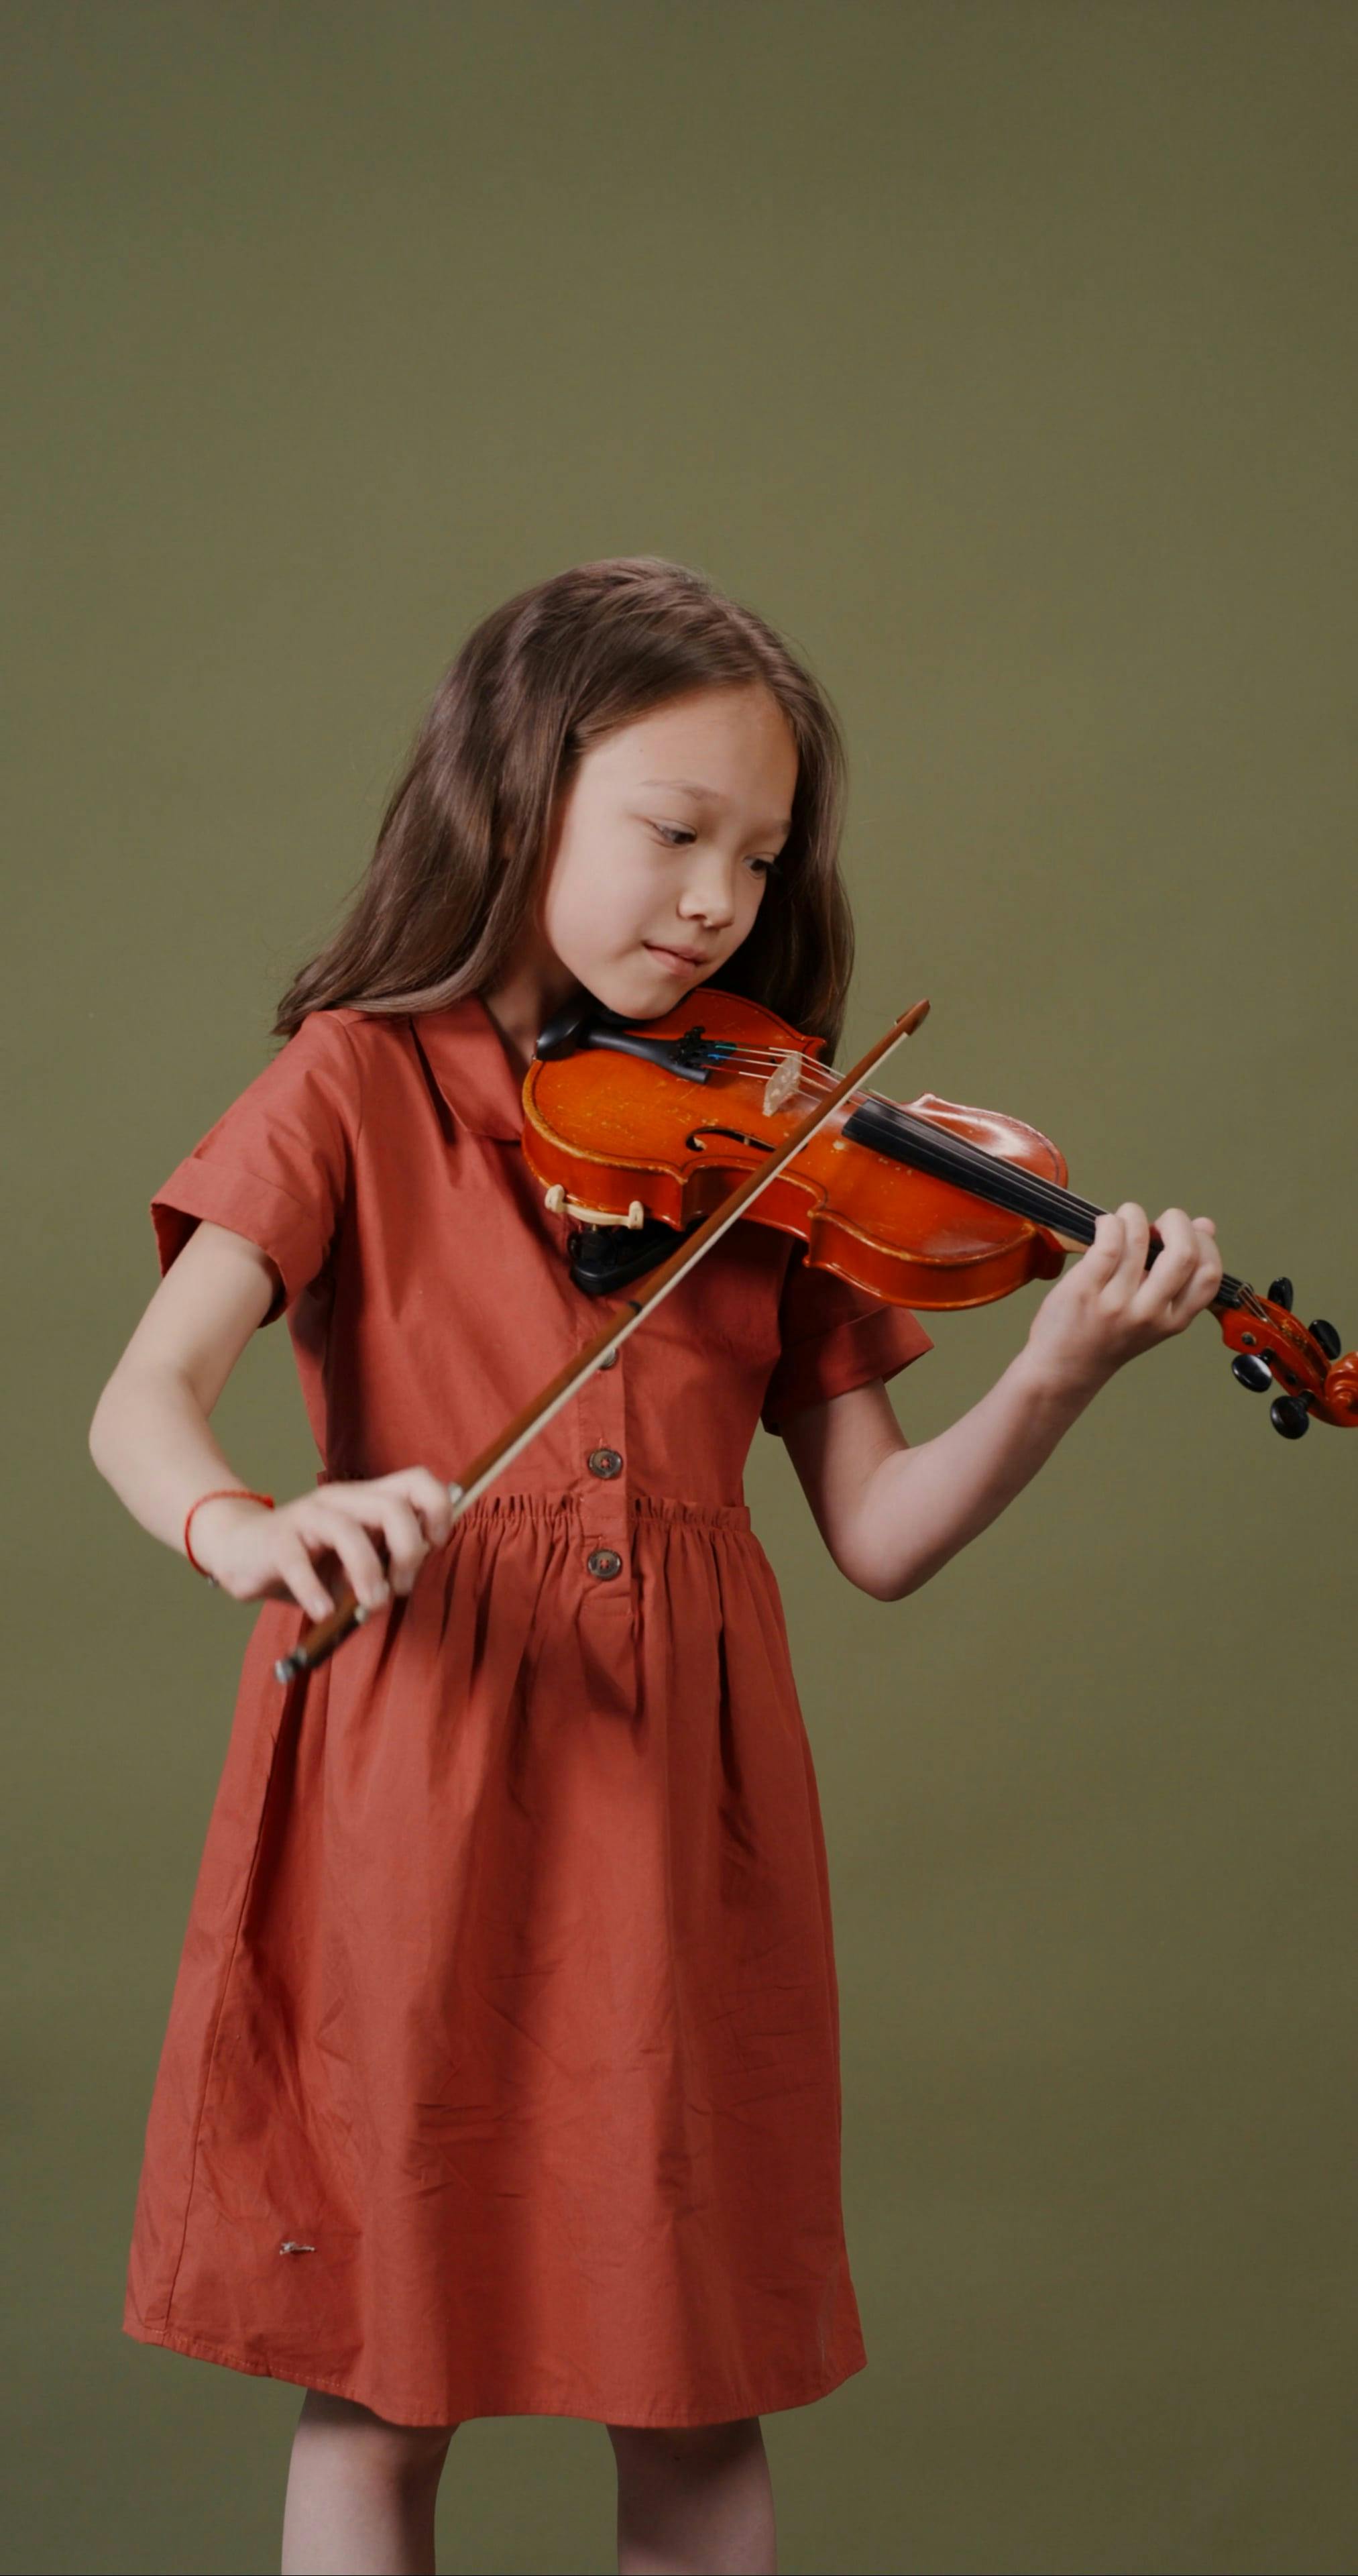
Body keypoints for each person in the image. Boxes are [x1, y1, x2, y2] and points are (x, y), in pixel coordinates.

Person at [89, 555, 1222, 2576]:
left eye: (756, 856)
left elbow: (874, 1535)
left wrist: (1054, 1370)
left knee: (691, 2393)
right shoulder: (355, 1081)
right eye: (669, 834)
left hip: (673, 1818)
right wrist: (255, 1521)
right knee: (378, 2383)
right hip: (411, 1790)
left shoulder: (774, 1151)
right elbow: (142, 1402)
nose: (714, 901)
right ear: (511, 802)